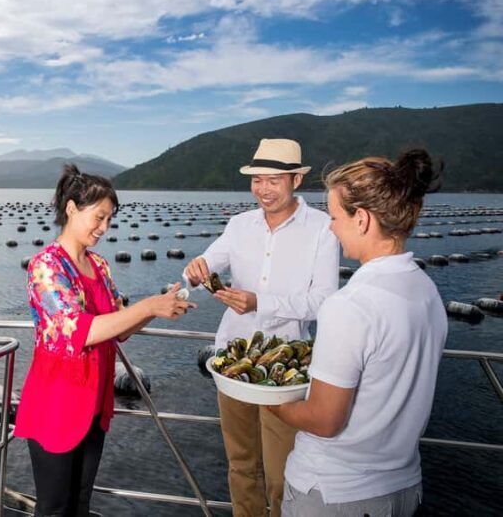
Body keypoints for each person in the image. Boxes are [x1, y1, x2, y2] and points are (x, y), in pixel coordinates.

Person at [268, 150, 447, 516]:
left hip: (334, 492)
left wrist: (274, 403)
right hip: (402, 487)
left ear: (362, 219)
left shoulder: (350, 305)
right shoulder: (426, 291)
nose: (331, 227)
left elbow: (324, 420)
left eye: (335, 217)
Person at [14, 163, 195, 517]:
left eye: (109, 219)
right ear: (71, 208)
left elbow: (120, 329)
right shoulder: (46, 266)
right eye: (98, 217)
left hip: (93, 402)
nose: (104, 227)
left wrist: (156, 310)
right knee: (54, 508)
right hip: (56, 402)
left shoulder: (99, 264)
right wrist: (146, 305)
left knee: (81, 503)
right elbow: (80, 330)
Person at [184, 138, 340, 517]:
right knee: (240, 464)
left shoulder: (323, 228)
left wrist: (261, 303)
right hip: (231, 364)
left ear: (296, 181)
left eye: (274, 180)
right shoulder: (239, 225)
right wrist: (192, 272)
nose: (263, 189)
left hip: (285, 379)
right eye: (257, 180)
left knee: (280, 473)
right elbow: (206, 262)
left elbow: (323, 301)